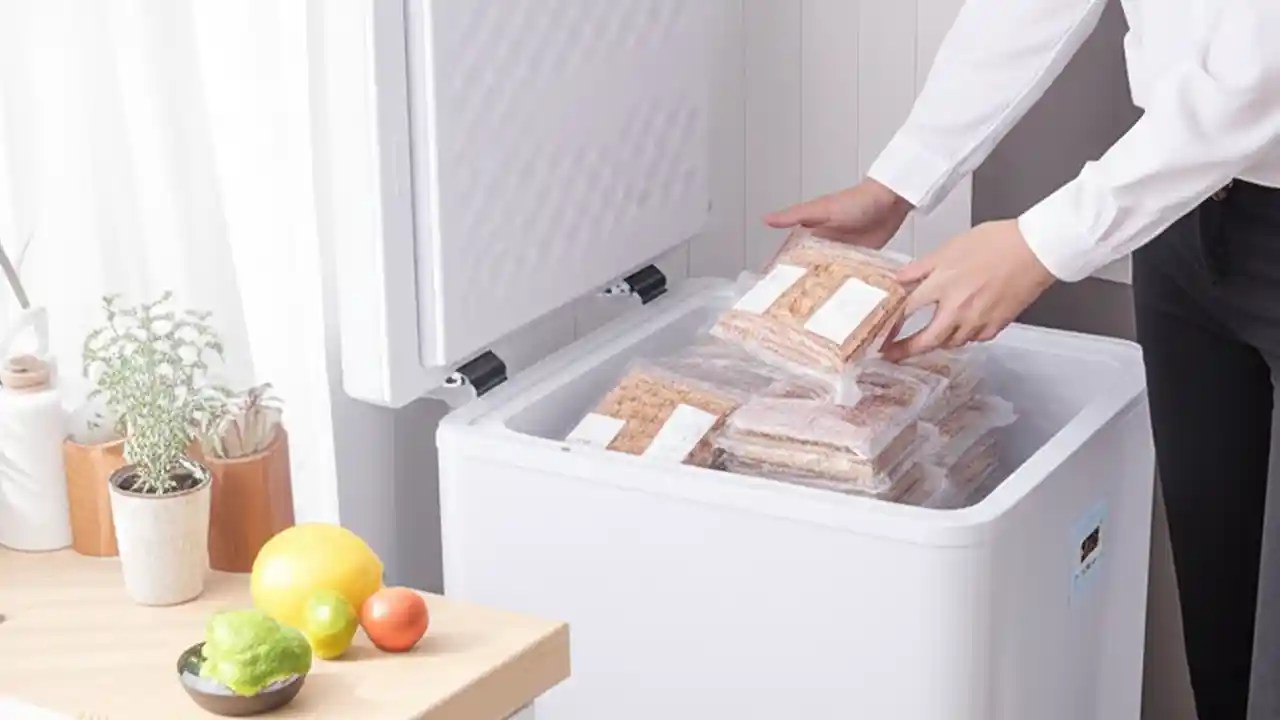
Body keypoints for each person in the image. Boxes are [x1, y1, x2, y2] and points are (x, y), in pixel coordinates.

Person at [764, 1, 1280, 718]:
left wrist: (1043, 244)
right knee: (1223, 619)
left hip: (1217, 175)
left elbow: (1262, 70)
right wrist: (901, 179)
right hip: (1182, 214)